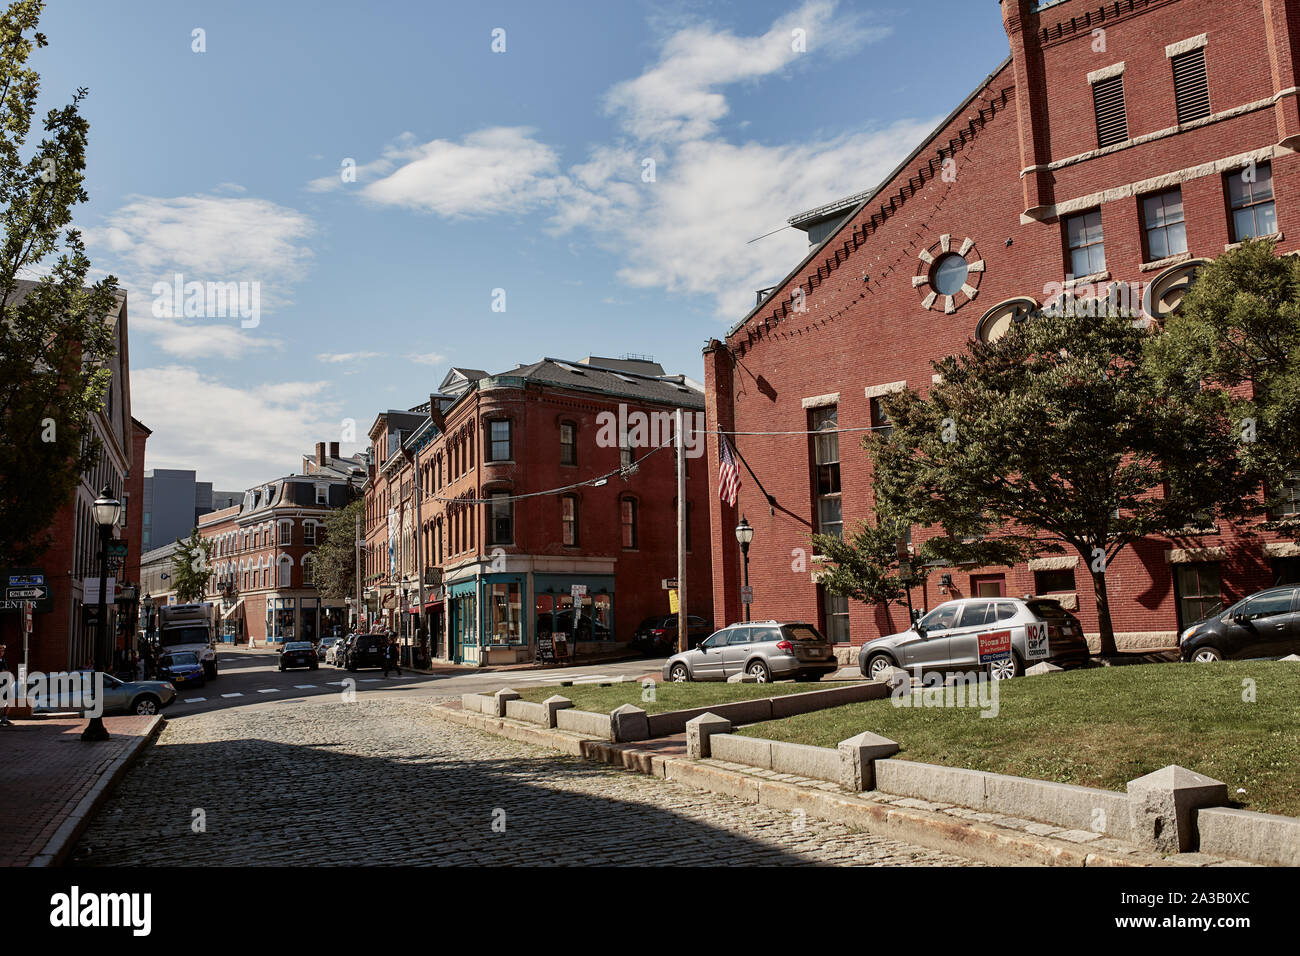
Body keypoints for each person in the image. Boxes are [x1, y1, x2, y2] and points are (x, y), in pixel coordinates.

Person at [0, 643, 13, 726]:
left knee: (10, 701)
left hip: (6, 684)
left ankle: (4, 718)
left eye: (3, 650)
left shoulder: (3, 660)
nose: (2, 651)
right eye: (1, 650)